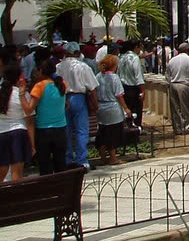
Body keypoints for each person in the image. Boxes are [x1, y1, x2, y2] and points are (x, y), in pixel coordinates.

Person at [57, 41, 98, 169]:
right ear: (77, 53)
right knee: (81, 130)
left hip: (63, 99)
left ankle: (68, 159)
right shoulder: (83, 67)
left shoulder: (59, 67)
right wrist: (95, 104)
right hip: (79, 97)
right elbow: (92, 88)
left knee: (67, 130)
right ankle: (82, 160)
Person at [27, 59, 68, 175]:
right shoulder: (62, 84)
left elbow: (29, 109)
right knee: (61, 163)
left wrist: (21, 96)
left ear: (41, 71)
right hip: (61, 128)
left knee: (45, 165)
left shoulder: (39, 86)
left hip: (43, 129)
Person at [95, 55, 132, 166]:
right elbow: (119, 95)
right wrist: (126, 108)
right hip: (112, 108)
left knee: (102, 131)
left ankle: (103, 156)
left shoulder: (98, 76)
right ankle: (113, 158)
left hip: (101, 107)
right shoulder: (114, 78)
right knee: (113, 132)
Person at [0, 60, 33, 182]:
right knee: (16, 171)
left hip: (1, 133)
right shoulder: (21, 94)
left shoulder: (1, 93)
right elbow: (29, 118)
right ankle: (14, 197)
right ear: (19, 77)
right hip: (18, 132)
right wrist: (32, 144)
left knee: (2, 170)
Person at [167, 43, 189, 134]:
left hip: (173, 85)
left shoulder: (172, 60)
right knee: (186, 108)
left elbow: (167, 75)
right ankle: (187, 128)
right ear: (188, 50)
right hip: (183, 85)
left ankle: (177, 128)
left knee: (175, 108)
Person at [117, 40, 146, 127]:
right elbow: (138, 76)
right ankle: (136, 130)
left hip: (123, 87)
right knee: (136, 111)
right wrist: (142, 91)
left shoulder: (121, 57)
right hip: (133, 88)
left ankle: (128, 128)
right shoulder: (134, 58)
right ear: (136, 47)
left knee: (127, 111)